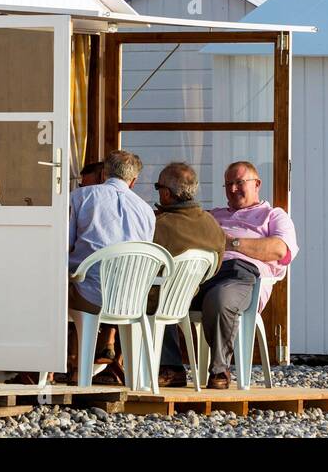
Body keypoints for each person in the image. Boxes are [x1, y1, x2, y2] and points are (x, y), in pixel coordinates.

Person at [196, 160, 298, 390]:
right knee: (158, 297)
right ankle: (169, 368)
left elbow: (280, 250)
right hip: (201, 272)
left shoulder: (272, 215)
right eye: (228, 184)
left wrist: (231, 243)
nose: (233, 189)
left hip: (241, 275)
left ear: (257, 184)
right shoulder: (213, 215)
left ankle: (219, 368)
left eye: (239, 182)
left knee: (220, 300)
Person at [66, 150, 156, 383]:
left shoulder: (80, 197)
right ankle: (100, 359)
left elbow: (64, 245)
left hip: (89, 295)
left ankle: (47, 368)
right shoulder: (147, 212)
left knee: (56, 285)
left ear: (104, 173)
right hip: (131, 298)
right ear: (133, 181)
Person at [149, 162, 227, 388]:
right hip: (191, 295)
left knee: (127, 294)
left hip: (159, 300)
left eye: (158, 187)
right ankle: (169, 367)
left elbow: (145, 265)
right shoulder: (212, 224)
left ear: (166, 193)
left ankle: (101, 364)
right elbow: (215, 266)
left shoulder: (160, 226)